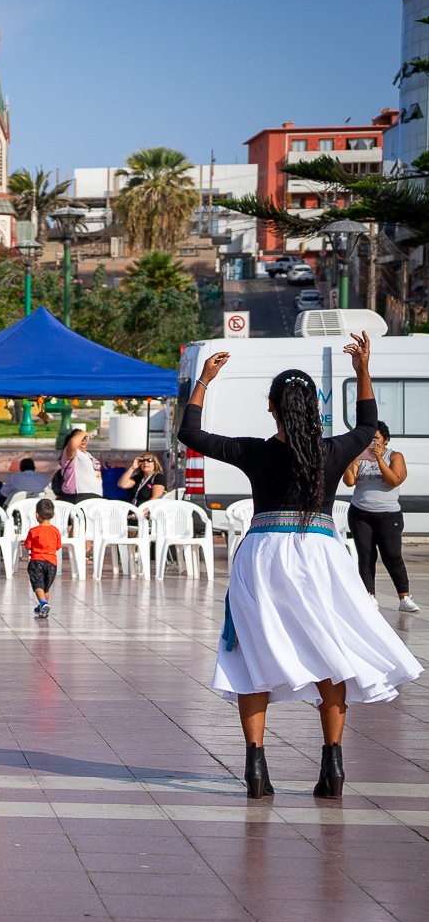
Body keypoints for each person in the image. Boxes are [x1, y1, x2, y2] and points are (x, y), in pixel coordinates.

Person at [179, 335, 422, 800]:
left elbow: (190, 435)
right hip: (320, 551)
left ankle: (256, 768)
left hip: (264, 551)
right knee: (331, 654)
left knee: (249, 655)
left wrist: (204, 381)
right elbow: (369, 423)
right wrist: (363, 369)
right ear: (315, 407)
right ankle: (333, 768)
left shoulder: (256, 451)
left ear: (271, 407)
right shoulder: (333, 451)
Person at [344, 421, 417, 611]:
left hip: (388, 514)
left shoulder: (394, 456)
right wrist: (353, 458)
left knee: (392, 556)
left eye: (375, 438)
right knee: (366, 555)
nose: (372, 443)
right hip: (361, 513)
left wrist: (379, 460)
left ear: (385, 439)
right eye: (369, 439)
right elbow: (349, 482)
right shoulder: (359, 457)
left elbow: (394, 480)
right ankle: (370, 595)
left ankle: (404, 598)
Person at [24, 498, 61, 619]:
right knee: (46, 587)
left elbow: (28, 546)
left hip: (36, 561)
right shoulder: (55, 531)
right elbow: (58, 546)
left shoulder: (34, 531)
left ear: (37, 515)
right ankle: (43, 608)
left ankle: (43, 603)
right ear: (53, 515)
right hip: (52, 563)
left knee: (37, 585)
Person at [58, 429, 103, 502]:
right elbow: (73, 443)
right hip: (78, 494)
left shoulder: (87, 454)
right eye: (80, 438)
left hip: (94, 493)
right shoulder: (72, 453)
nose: (83, 440)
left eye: (85, 438)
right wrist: (84, 432)